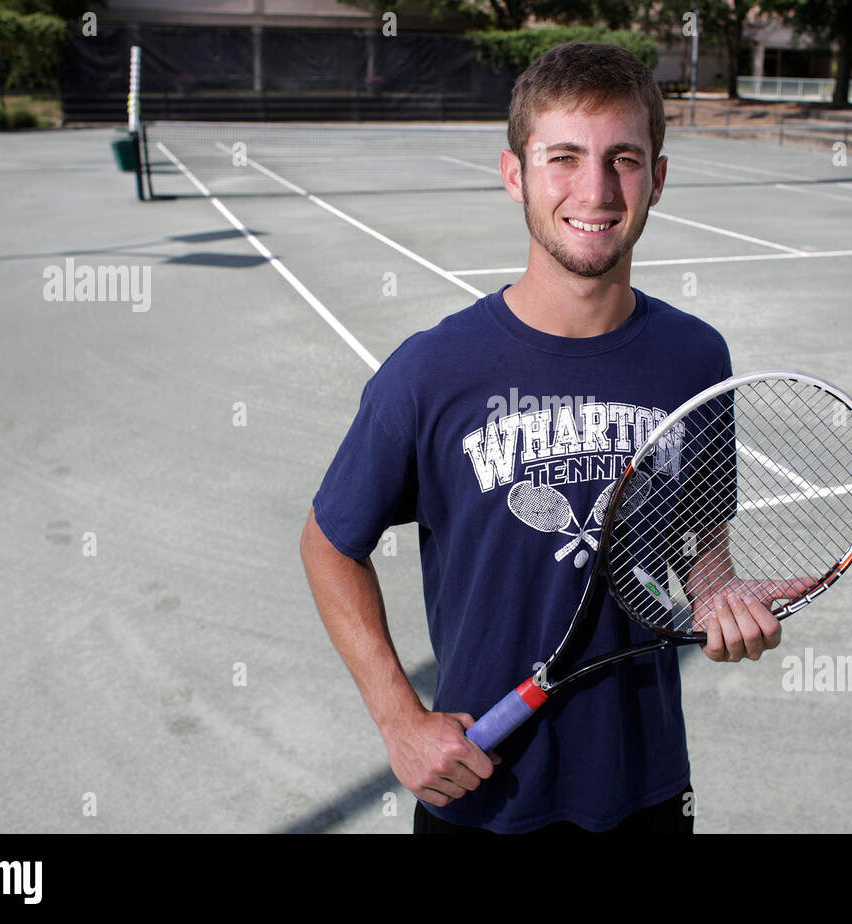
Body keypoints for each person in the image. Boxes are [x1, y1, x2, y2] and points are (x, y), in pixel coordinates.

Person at [300, 42, 782, 834]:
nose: (594, 190)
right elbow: (327, 544)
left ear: (657, 179)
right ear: (515, 173)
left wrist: (719, 597)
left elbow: (701, 546)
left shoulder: (699, 359)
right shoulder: (431, 371)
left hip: (647, 790)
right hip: (481, 796)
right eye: (564, 157)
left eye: (623, 159)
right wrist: (399, 719)